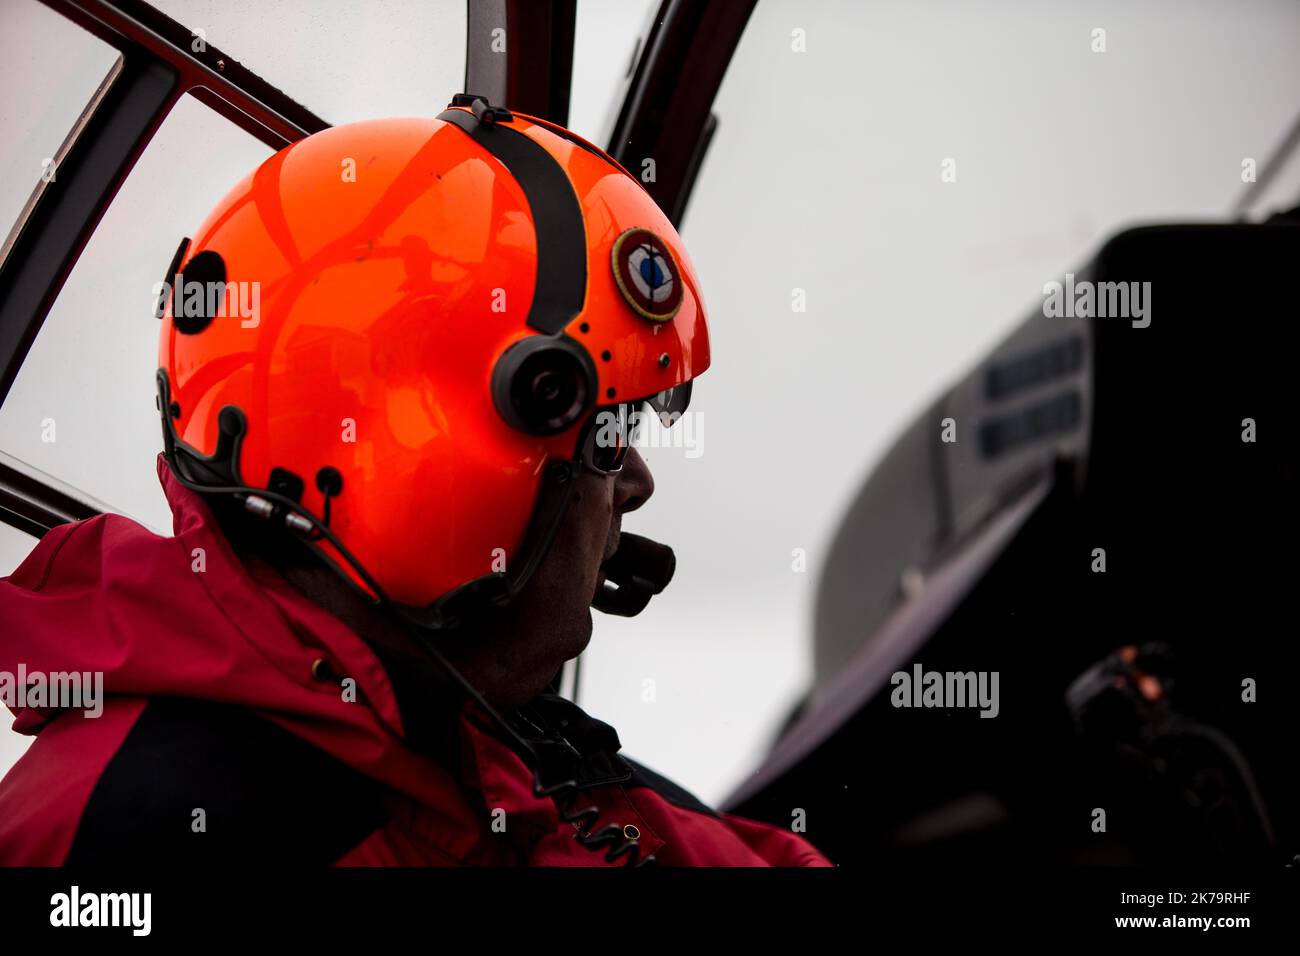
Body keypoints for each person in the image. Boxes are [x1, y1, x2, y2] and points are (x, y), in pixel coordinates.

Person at [0, 97, 831, 867]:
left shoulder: (507, 758)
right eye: (610, 439)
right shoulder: (120, 841)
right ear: (438, 470)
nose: (637, 482)